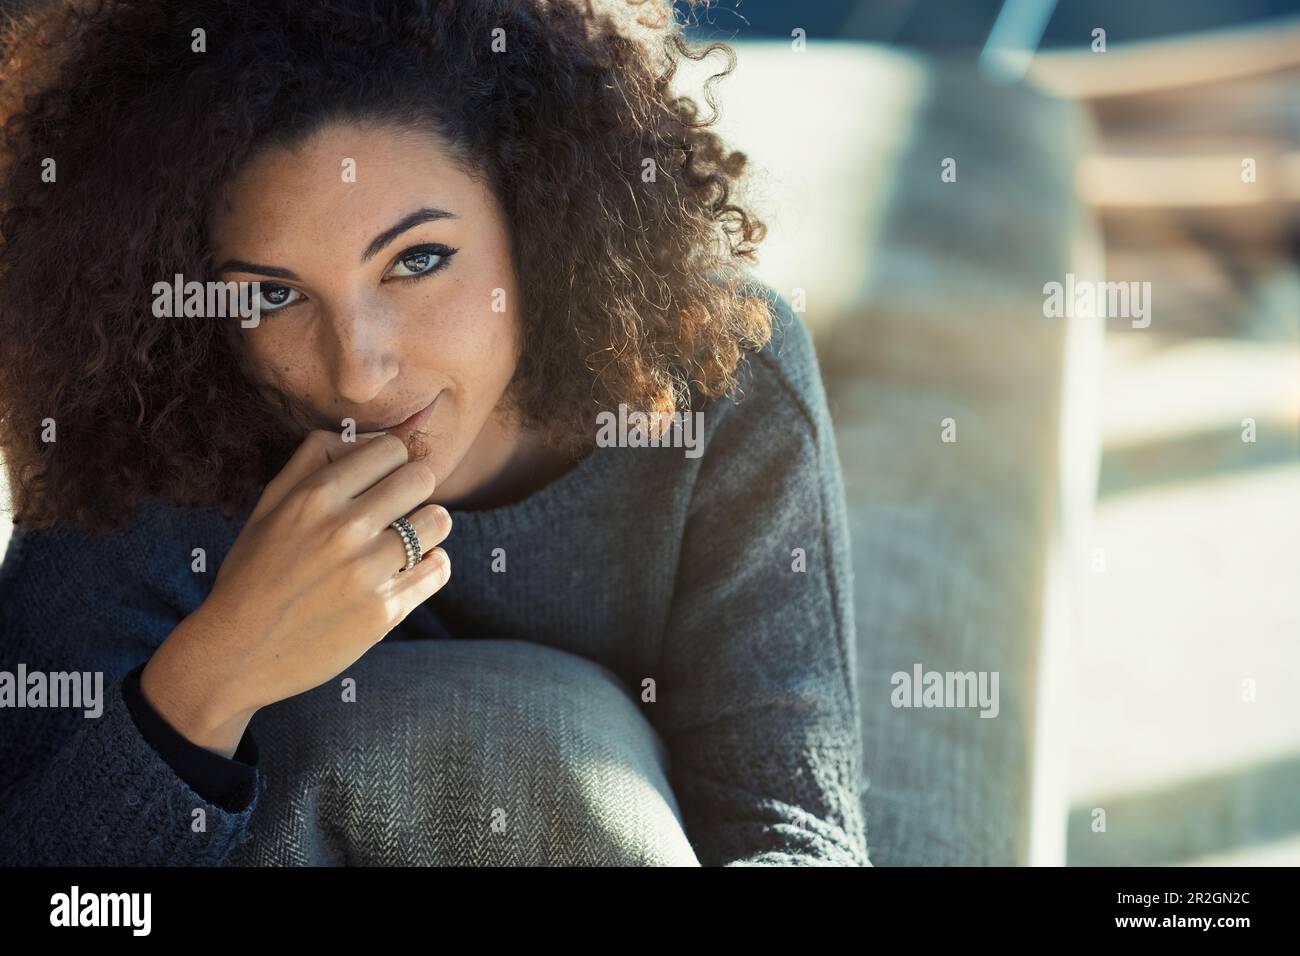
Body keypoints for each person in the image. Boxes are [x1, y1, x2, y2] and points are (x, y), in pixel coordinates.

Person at [0, 0, 869, 866]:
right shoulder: (138, 427)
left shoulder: (718, 382)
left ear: (540, 223)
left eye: (417, 260)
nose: (358, 372)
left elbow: (794, 833)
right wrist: (210, 679)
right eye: (271, 294)